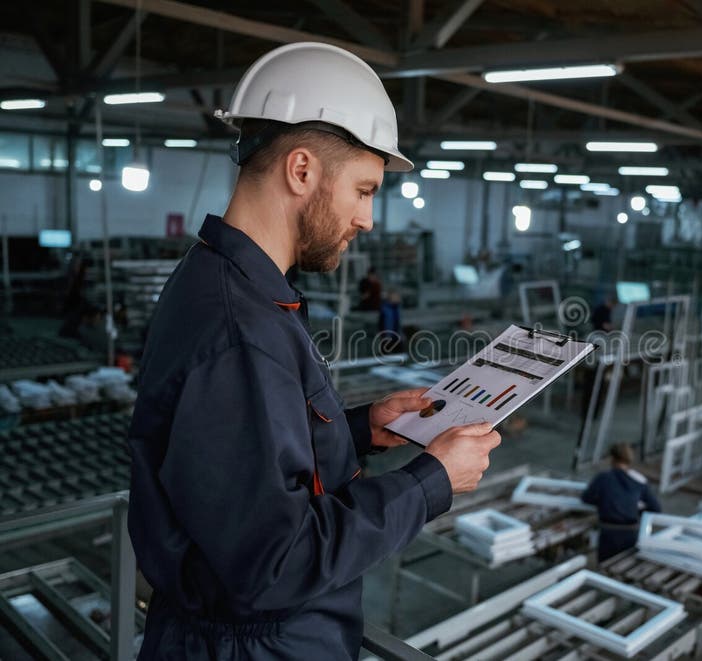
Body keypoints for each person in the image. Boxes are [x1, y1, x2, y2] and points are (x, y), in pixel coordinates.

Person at [127, 42, 500, 660]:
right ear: (302, 171)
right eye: (363, 190)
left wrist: (358, 430)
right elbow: (276, 560)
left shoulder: (229, 286)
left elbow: (243, 464)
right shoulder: (240, 332)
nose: (368, 219)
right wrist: (432, 480)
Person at [582, 443, 662, 561]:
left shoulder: (603, 478)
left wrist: (604, 502)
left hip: (608, 532)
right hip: (631, 533)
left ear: (612, 458)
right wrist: (636, 510)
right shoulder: (639, 481)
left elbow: (586, 498)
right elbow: (656, 508)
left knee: (604, 568)